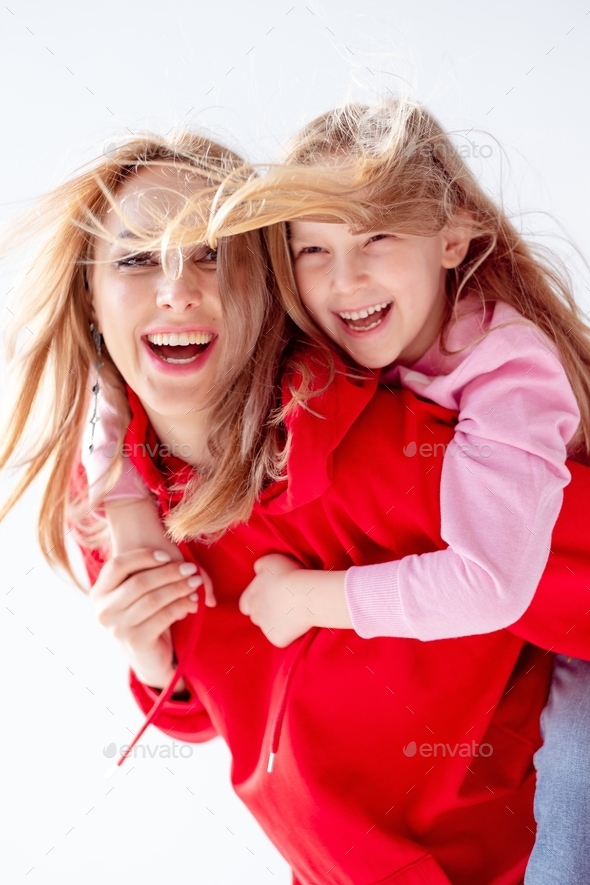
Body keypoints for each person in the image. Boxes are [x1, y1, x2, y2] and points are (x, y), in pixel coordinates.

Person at [2, 129, 590, 885]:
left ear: (262, 284)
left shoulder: (388, 454)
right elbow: (212, 710)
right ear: (91, 294)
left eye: (211, 254)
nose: (176, 289)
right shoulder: (110, 496)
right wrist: (151, 656)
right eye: (137, 258)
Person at [206, 98, 590, 884]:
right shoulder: (341, 352)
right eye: (314, 248)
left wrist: (306, 598)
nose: (345, 277)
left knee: (566, 796)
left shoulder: (508, 368)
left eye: (375, 236)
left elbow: (489, 583)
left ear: (452, 236)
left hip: (572, 636)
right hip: (511, 645)